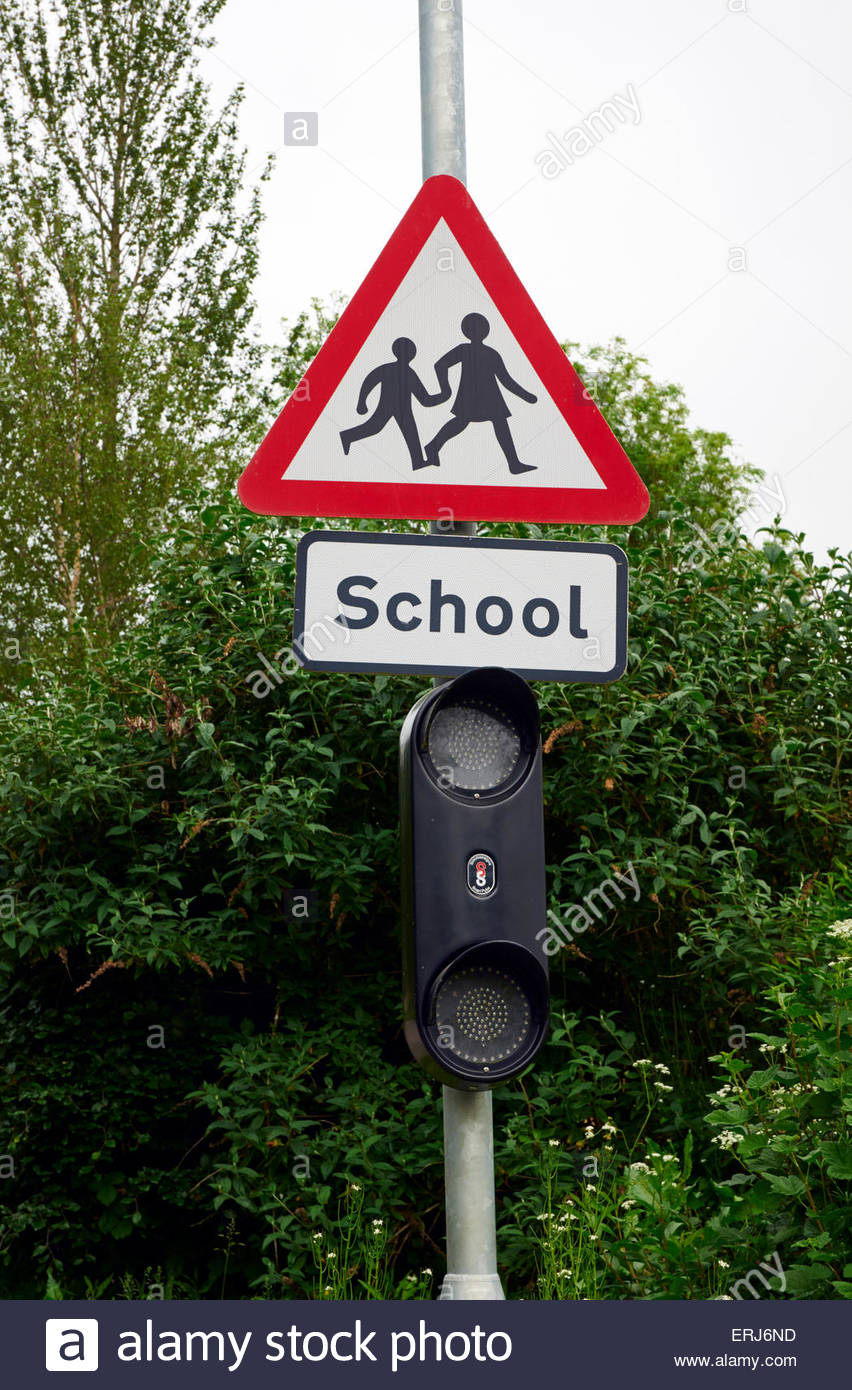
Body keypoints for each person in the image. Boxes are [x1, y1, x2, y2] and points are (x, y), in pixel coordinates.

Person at [424, 313, 538, 474]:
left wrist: (526, 395)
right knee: (463, 421)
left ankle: (513, 463)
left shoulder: (491, 353)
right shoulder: (464, 350)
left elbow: (505, 379)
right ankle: (432, 447)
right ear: (467, 331)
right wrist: (445, 388)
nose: (478, 332)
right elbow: (440, 365)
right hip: (471, 395)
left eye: (481, 328)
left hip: (490, 396)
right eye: (474, 328)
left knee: (494, 422)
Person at [340, 337, 443, 471]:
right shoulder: (387, 369)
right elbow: (370, 381)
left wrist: (442, 396)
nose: (409, 354)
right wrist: (361, 402)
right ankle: (347, 436)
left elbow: (424, 399)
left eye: (411, 352)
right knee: (375, 427)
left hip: (404, 409)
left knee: (410, 433)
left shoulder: (410, 373)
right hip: (387, 406)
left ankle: (418, 462)